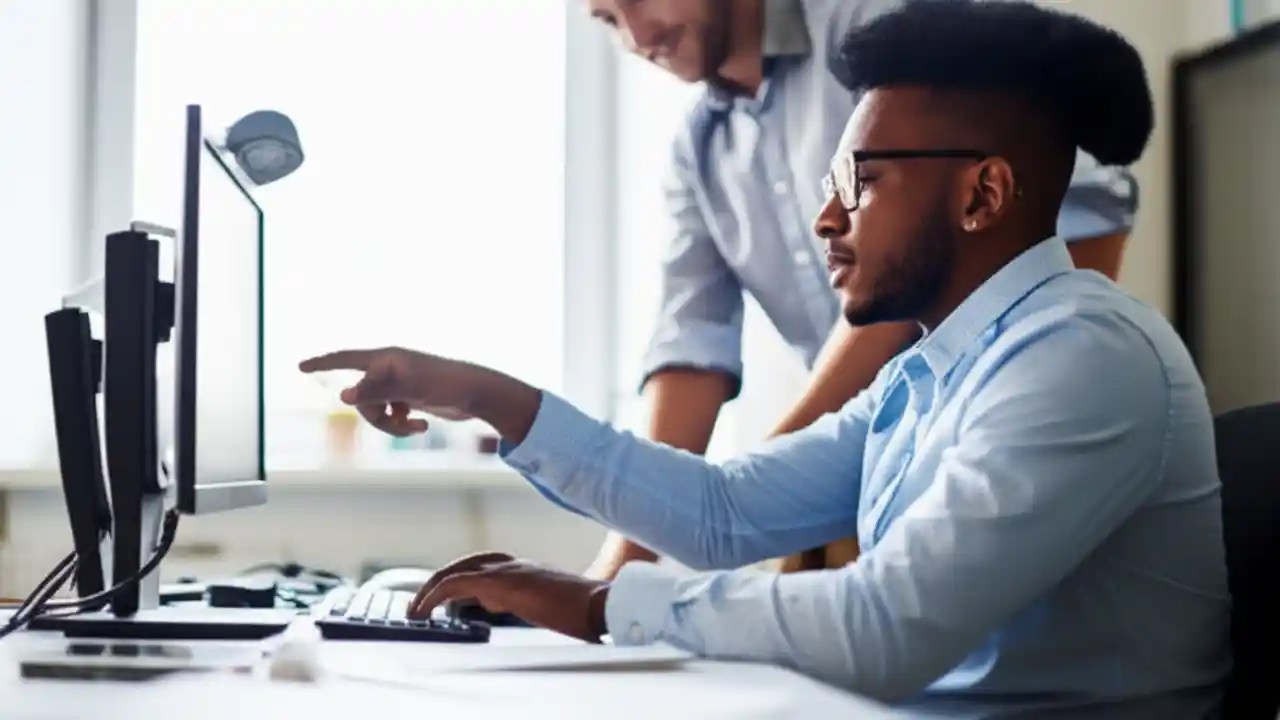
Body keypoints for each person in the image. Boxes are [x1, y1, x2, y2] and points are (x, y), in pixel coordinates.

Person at [302, 1, 1232, 713]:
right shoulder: (923, 376)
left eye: (859, 184)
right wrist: (484, 396)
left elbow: (883, 630)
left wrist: (595, 606)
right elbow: (723, 508)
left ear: (984, 193)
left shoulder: (1079, 356)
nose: (827, 218)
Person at [581, 0, 1144, 580]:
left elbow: (1085, 204)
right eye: (605, 20)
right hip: (865, 453)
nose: (636, 36)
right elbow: (691, 345)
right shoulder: (697, 154)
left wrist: (772, 478)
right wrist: (622, 562)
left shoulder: (879, 28)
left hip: (991, 433)